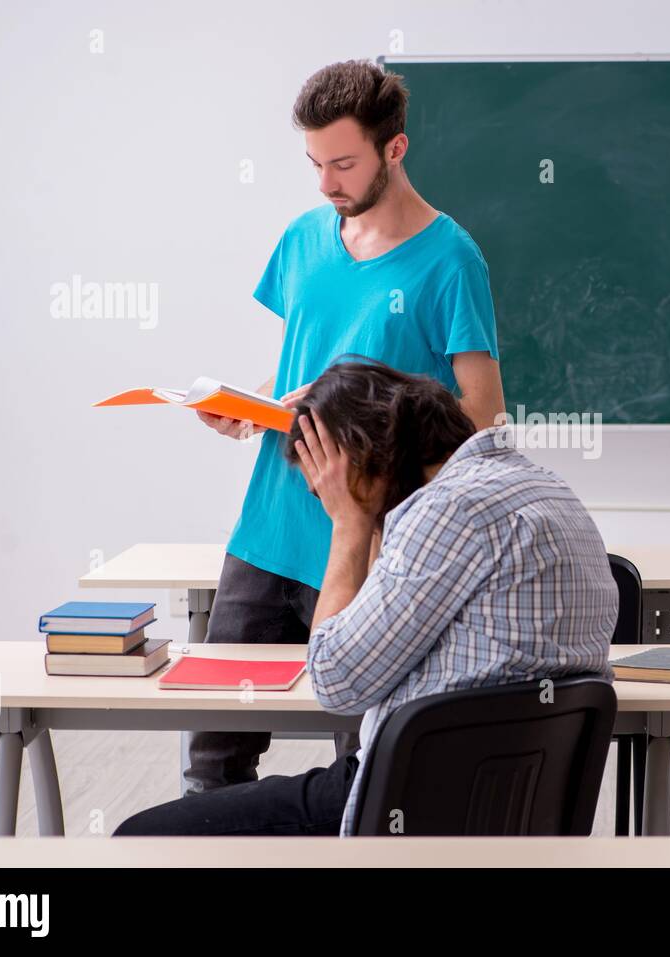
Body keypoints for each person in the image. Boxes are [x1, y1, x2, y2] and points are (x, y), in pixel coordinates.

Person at [115, 360, 616, 836]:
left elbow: (337, 683)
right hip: (510, 802)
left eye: (323, 486)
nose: (322, 497)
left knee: (142, 836)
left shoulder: (446, 511)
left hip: (415, 797)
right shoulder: (544, 487)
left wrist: (349, 521)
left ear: (361, 460)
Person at [187, 59, 506, 793]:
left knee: (360, 761)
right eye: (314, 164)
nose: (326, 184)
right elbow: (299, 364)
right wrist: (248, 407)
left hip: (371, 542)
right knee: (213, 757)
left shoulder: (452, 261)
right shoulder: (304, 238)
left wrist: (362, 430)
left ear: (394, 150)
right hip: (267, 530)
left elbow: (483, 415)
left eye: (342, 163)